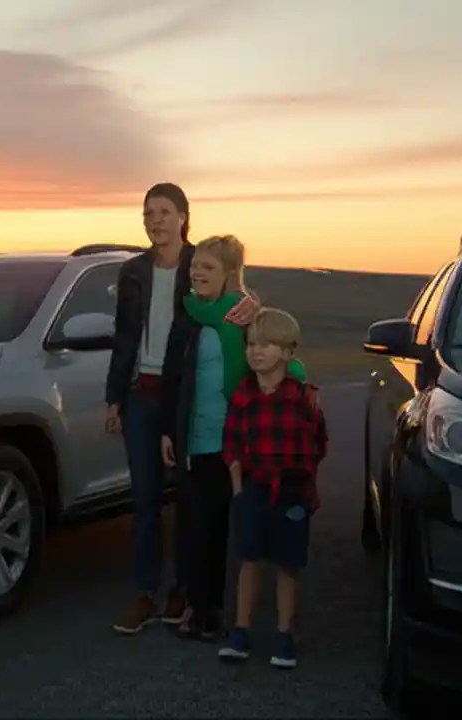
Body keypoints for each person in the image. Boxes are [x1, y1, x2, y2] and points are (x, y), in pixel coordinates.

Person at [106, 183, 259, 635]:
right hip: (140, 395)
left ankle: (184, 588)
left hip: (185, 395)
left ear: (183, 217)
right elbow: (123, 337)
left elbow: (236, 296)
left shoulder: (200, 264)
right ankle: (144, 592)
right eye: (148, 212)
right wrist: (114, 397)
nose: (155, 220)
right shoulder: (133, 271)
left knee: (189, 502)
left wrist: (254, 306)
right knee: (146, 498)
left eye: (164, 212)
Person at [158, 236, 308, 642]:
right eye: (195, 267)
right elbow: (173, 379)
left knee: (239, 527)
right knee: (196, 528)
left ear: (229, 274)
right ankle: (202, 609)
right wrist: (168, 432)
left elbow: (277, 358)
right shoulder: (187, 317)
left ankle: (247, 616)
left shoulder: (244, 318)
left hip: (239, 442)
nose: (197, 273)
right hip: (195, 439)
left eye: (208, 268)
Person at [217, 308, 329, 669]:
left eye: (266, 344)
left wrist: (304, 482)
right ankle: (240, 630)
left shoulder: (303, 398)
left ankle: (284, 633)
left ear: (287, 352)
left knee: (287, 563)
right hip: (252, 489)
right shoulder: (243, 394)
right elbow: (231, 442)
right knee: (249, 559)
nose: (255, 351)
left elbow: (319, 444)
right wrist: (237, 487)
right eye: (251, 344)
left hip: (292, 492)